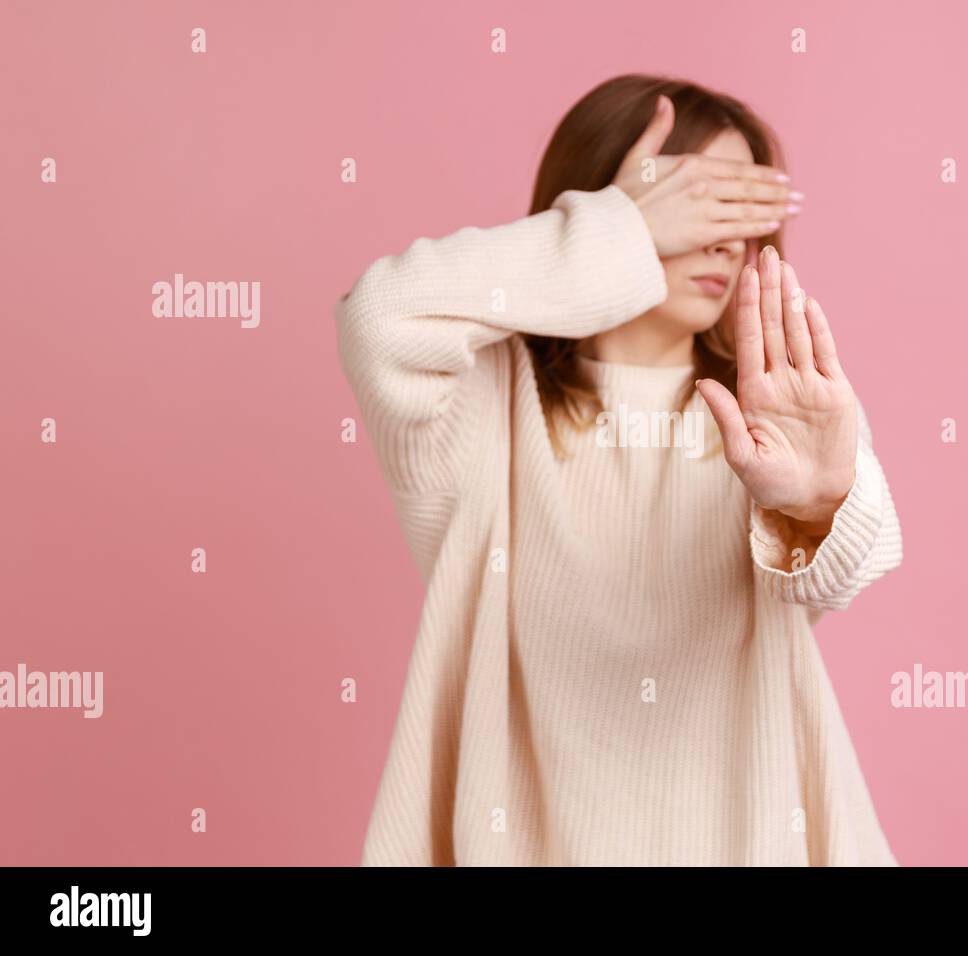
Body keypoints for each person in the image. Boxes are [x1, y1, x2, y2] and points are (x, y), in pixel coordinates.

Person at [334, 73, 904, 866]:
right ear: (601, 197)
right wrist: (623, 232)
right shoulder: (480, 404)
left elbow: (847, 566)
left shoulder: (772, 406)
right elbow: (378, 315)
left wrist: (817, 505)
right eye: (696, 197)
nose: (726, 240)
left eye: (744, 208)